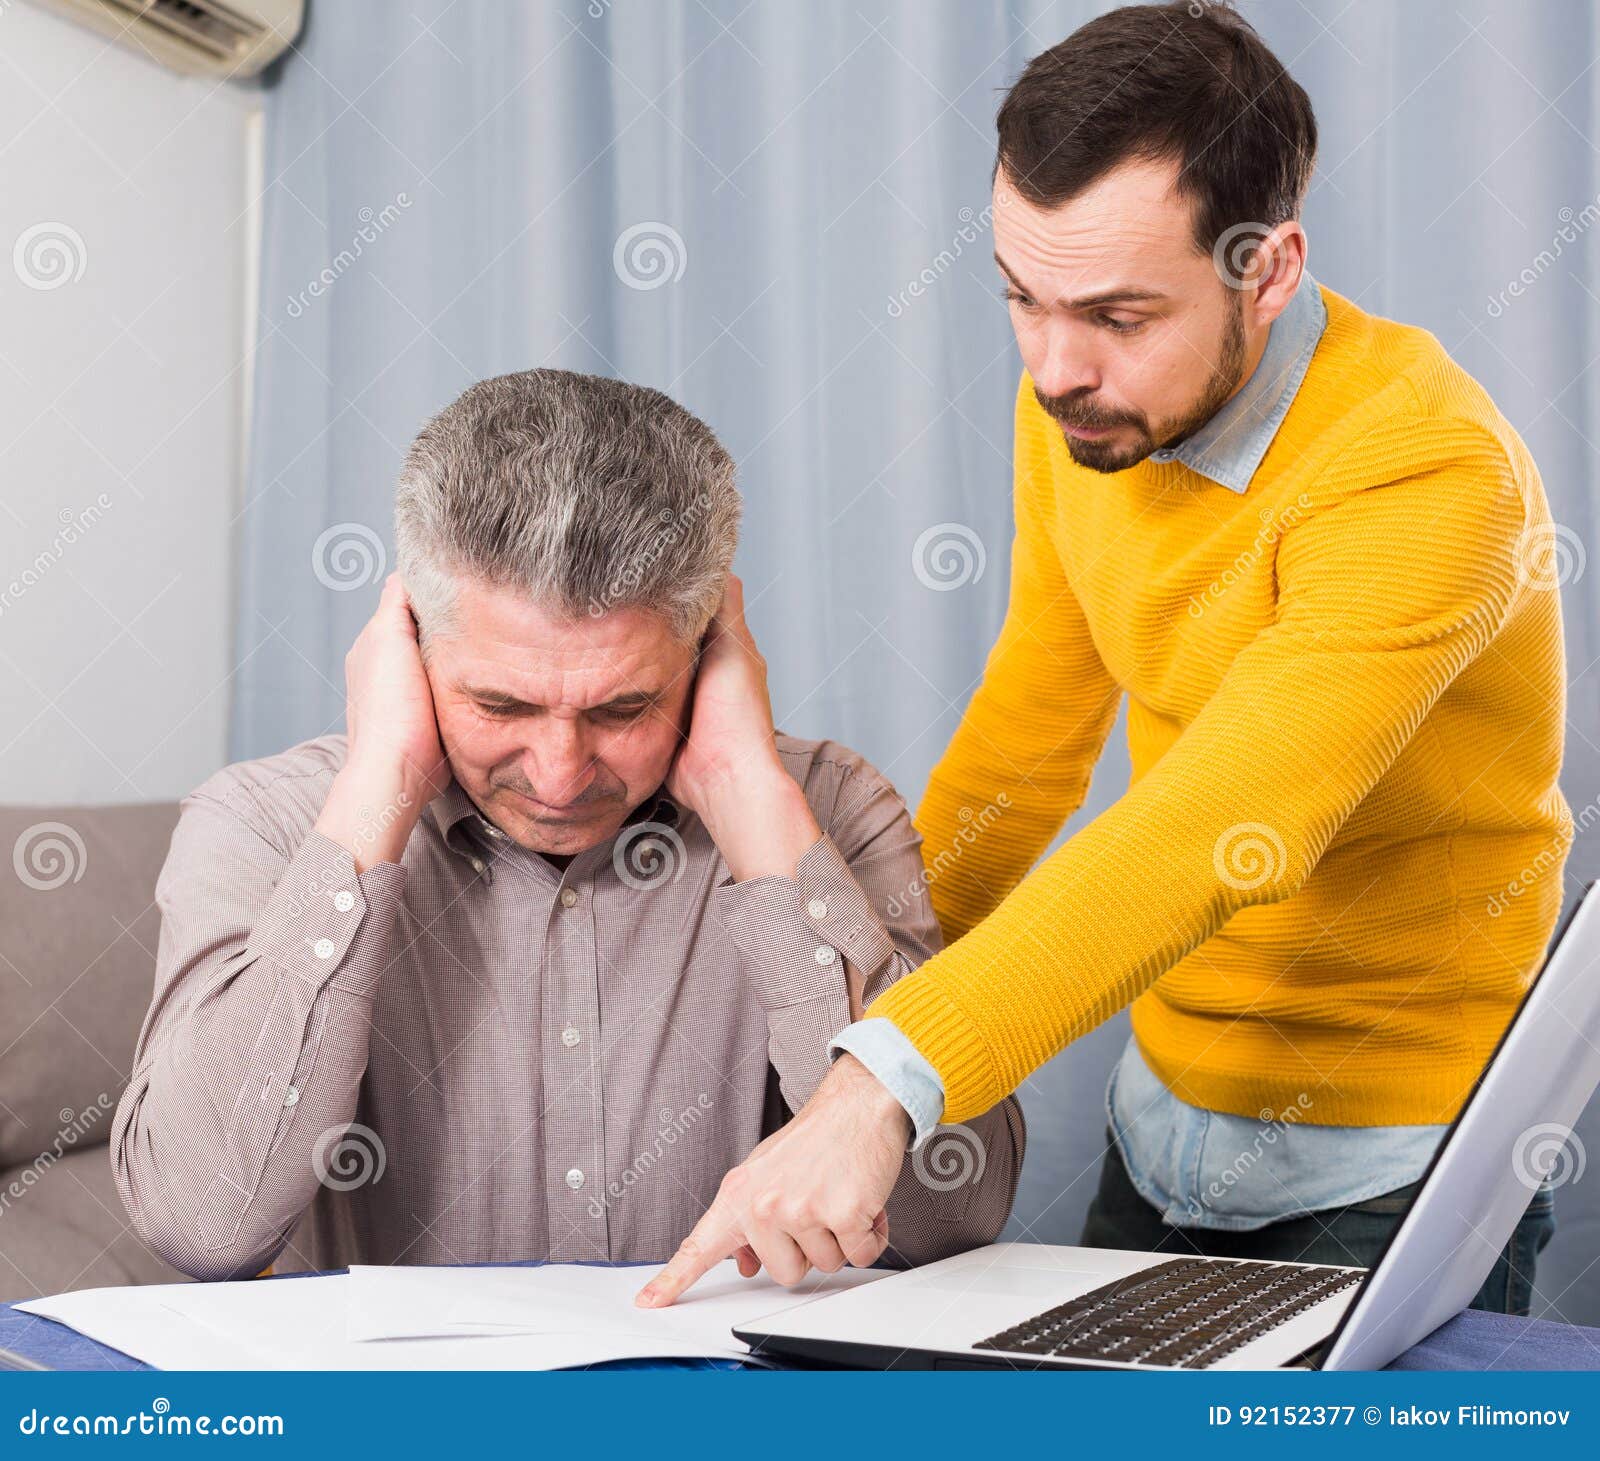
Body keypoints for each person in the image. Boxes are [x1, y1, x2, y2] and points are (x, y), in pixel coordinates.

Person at [640, 1, 1570, 1314]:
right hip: (1161, 1123)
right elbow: (1024, 746)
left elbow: (1222, 828)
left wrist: (887, 1080)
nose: (1053, 365)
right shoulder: (1087, 409)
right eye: (1021, 298)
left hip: (1392, 1164)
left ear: (1268, 269)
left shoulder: (1425, 473)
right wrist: (845, 1023)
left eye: (1118, 315)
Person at [112, 367, 1023, 1280]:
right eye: (499, 704)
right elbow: (203, 1224)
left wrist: (758, 807)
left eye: (623, 709)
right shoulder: (264, 825)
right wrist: (377, 789)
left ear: (712, 646)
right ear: (409, 643)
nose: (559, 774)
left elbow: (950, 1218)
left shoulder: (831, 813)